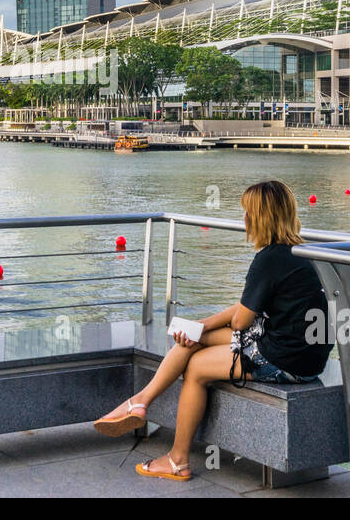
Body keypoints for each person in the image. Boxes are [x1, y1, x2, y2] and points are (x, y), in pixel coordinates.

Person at [93, 180, 332, 481]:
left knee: (195, 368)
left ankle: (177, 458)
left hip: (286, 359)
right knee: (193, 341)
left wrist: (204, 328)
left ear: (260, 217)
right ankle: (140, 401)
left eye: (247, 213)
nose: (243, 219)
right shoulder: (298, 252)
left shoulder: (269, 259)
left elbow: (240, 322)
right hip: (305, 354)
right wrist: (201, 327)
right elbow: (245, 308)